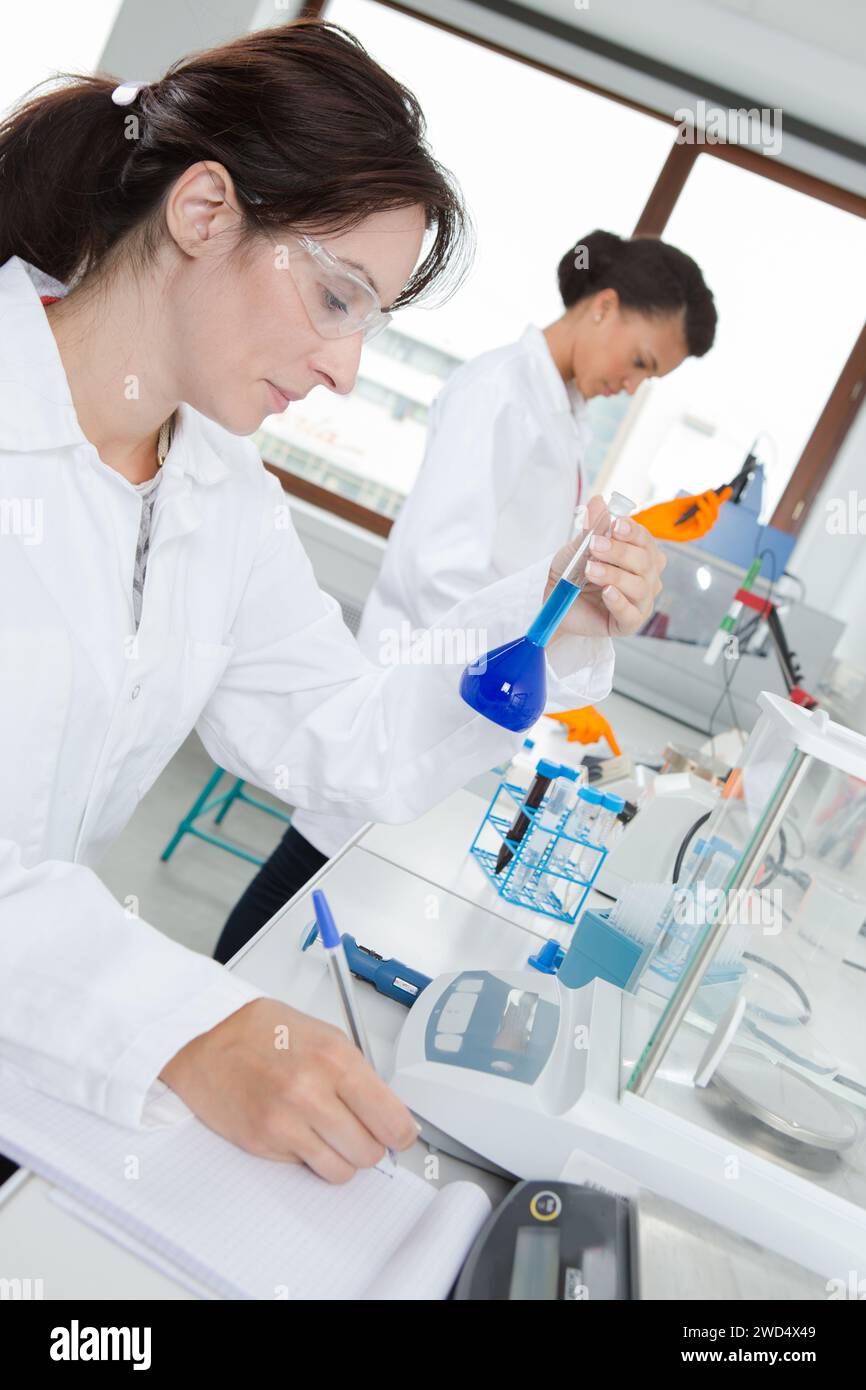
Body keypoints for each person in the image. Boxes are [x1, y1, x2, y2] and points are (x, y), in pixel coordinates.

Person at [0, 20, 664, 1184]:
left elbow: (342, 736)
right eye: (333, 296)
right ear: (204, 211)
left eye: (369, 320)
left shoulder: (219, 493)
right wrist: (184, 1025)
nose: (346, 369)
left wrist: (552, 615)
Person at [217, 228, 715, 961]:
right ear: (605, 307)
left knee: (335, 889)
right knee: (306, 879)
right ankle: (215, 1003)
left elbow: (516, 569)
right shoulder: (499, 392)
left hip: (458, 690)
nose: (633, 385)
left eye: (651, 379)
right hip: (408, 685)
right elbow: (435, 572)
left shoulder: (560, 412)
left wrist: (551, 641)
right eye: (641, 361)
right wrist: (519, 657)